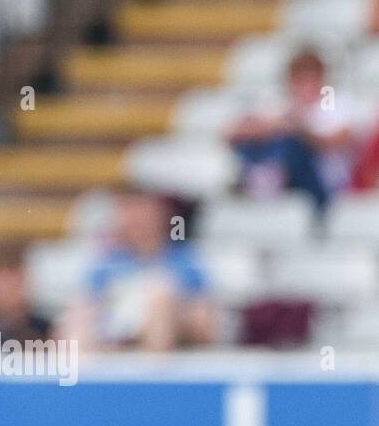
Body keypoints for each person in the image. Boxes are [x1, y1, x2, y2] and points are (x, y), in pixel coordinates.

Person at [58, 188, 214, 351]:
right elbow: (87, 304)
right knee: (81, 311)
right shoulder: (106, 261)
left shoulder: (184, 259)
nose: (134, 218)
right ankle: (80, 365)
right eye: (127, 211)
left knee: (160, 297)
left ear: (160, 214)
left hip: (170, 332)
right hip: (112, 332)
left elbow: (203, 318)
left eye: (141, 210)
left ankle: (154, 364)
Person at [228, 49, 359, 208]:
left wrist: (298, 128)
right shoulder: (286, 104)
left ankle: (266, 180)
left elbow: (337, 140)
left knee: (291, 142)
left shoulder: (335, 103)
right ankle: (263, 178)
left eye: (310, 79)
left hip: (324, 181)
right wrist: (276, 125)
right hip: (292, 177)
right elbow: (233, 134)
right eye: (300, 80)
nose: (306, 86)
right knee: (254, 143)